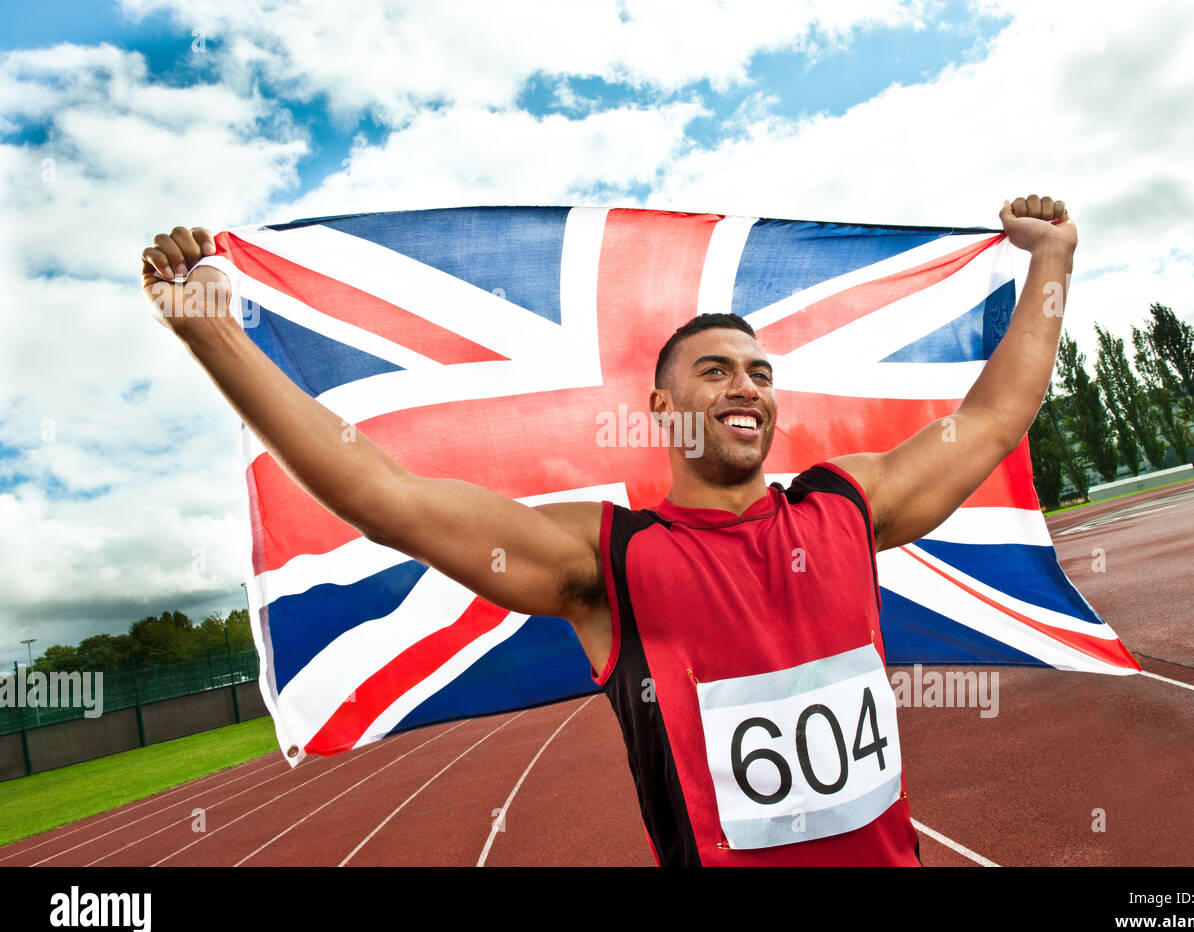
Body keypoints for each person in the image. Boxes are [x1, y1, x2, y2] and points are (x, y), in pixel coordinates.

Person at [140, 195, 1075, 866]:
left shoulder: (845, 508)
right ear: (663, 409)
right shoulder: (608, 560)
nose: (746, 385)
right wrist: (213, 334)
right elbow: (388, 496)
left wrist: (1053, 263)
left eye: (758, 371)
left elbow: (994, 417)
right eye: (715, 372)